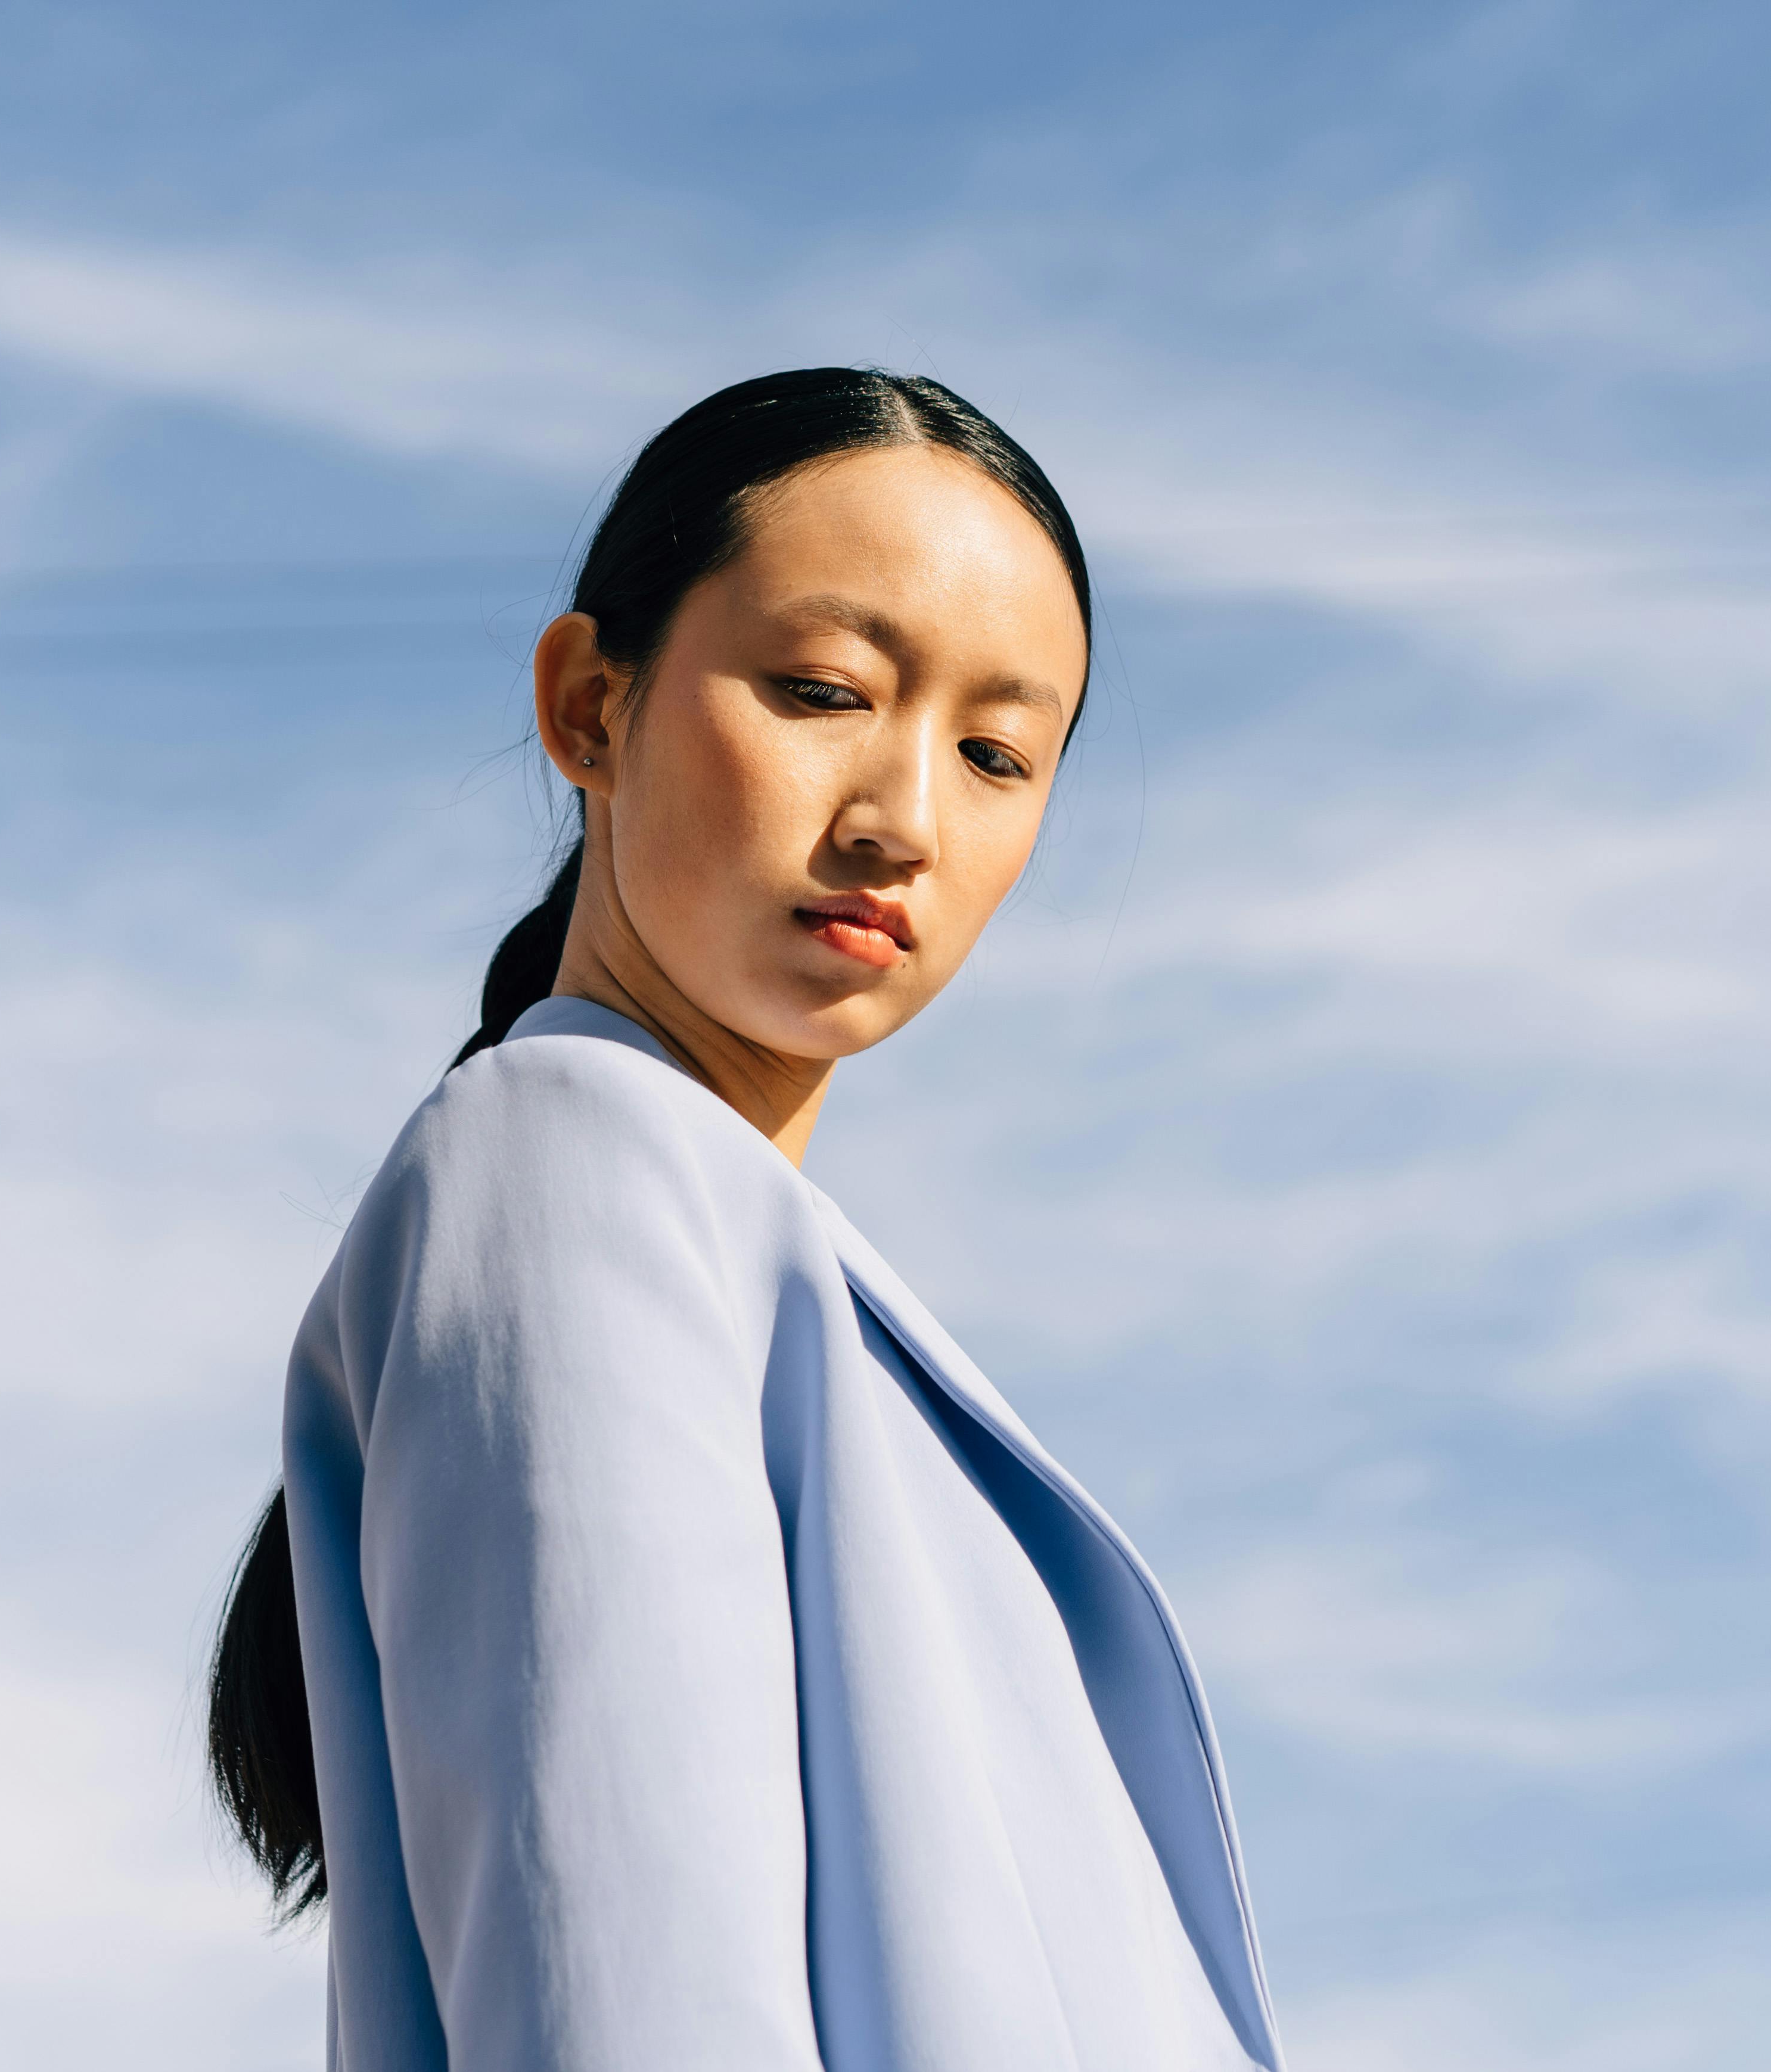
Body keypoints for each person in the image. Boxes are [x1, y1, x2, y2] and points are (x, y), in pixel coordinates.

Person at [206, 368, 1279, 2072]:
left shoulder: (756, 1280)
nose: (901, 820)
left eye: (997, 754)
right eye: (817, 689)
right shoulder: (566, 1168)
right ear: (587, 706)